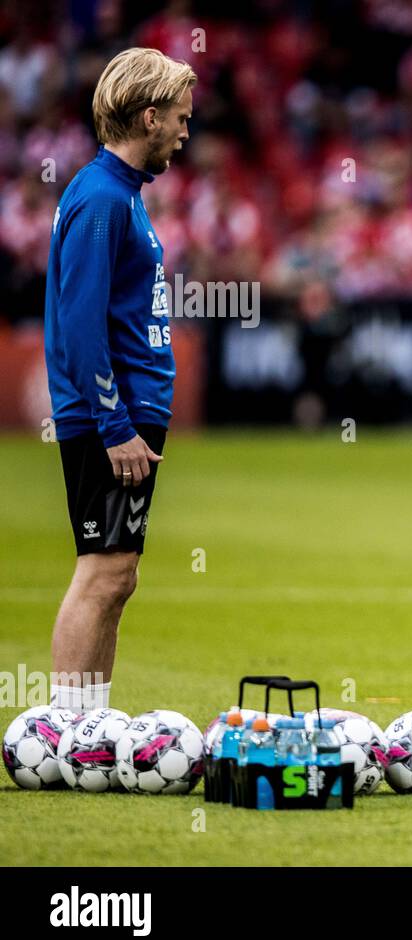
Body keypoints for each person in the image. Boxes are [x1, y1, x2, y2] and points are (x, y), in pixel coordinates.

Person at [44, 47, 195, 712]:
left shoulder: (119, 195)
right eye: (181, 120)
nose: (186, 134)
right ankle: (65, 735)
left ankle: (88, 730)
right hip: (114, 418)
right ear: (149, 115)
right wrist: (115, 426)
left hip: (129, 415)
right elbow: (79, 327)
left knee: (118, 575)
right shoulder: (103, 199)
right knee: (101, 572)